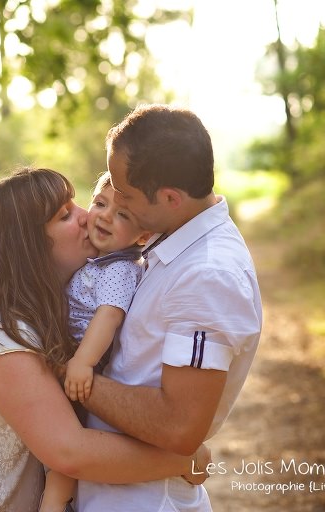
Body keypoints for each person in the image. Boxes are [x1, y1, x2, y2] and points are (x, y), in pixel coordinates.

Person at [0, 167, 211, 512]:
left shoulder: (49, 302)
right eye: (64, 215)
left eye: (77, 205)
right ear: (29, 244)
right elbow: (68, 450)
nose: (86, 216)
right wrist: (185, 460)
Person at [77, 104, 263, 511]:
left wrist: (64, 372)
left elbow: (179, 426)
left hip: (143, 500)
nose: (115, 199)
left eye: (124, 195)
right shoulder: (169, 239)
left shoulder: (207, 275)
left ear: (170, 198)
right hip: (109, 487)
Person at [41, 171, 150, 512]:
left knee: (65, 438)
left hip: (85, 359)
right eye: (100, 204)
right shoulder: (99, 262)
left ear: (143, 235)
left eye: (123, 214)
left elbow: (109, 316)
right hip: (75, 354)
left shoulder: (120, 268)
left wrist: (82, 362)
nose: (104, 216)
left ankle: (55, 503)